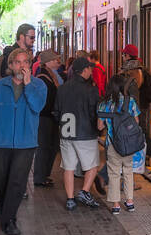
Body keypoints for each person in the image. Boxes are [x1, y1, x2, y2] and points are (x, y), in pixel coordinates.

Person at [0, 47, 46, 235]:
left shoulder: (38, 86)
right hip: (2, 141)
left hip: (26, 143)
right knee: (0, 180)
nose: (22, 66)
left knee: (17, 182)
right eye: (18, 62)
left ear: (30, 66)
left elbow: (37, 106)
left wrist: (28, 84)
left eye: (26, 62)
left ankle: (9, 220)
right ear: (11, 65)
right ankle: (4, 207)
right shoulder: (0, 86)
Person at [55, 55, 103, 211]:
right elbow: (94, 112)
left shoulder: (62, 88)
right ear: (85, 70)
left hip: (66, 132)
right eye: (90, 68)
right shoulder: (91, 89)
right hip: (85, 134)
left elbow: (56, 111)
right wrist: (98, 128)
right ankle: (84, 192)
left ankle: (70, 199)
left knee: (68, 167)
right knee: (93, 166)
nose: (91, 71)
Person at [97, 74, 144, 214]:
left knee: (113, 173)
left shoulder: (104, 104)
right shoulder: (131, 102)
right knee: (128, 172)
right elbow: (136, 123)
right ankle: (130, 202)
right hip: (129, 144)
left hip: (112, 144)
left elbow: (99, 126)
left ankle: (116, 205)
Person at [120, 46, 151, 173]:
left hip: (137, 109)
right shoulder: (139, 68)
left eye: (123, 54)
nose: (122, 57)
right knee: (141, 135)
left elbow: (132, 91)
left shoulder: (133, 71)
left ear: (127, 55)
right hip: (139, 107)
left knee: (141, 135)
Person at [33, 49, 64, 187]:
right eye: (55, 60)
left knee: (52, 146)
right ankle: (40, 177)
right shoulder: (42, 77)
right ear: (48, 62)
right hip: (44, 117)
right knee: (44, 147)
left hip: (50, 117)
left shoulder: (51, 75)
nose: (57, 62)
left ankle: (44, 174)